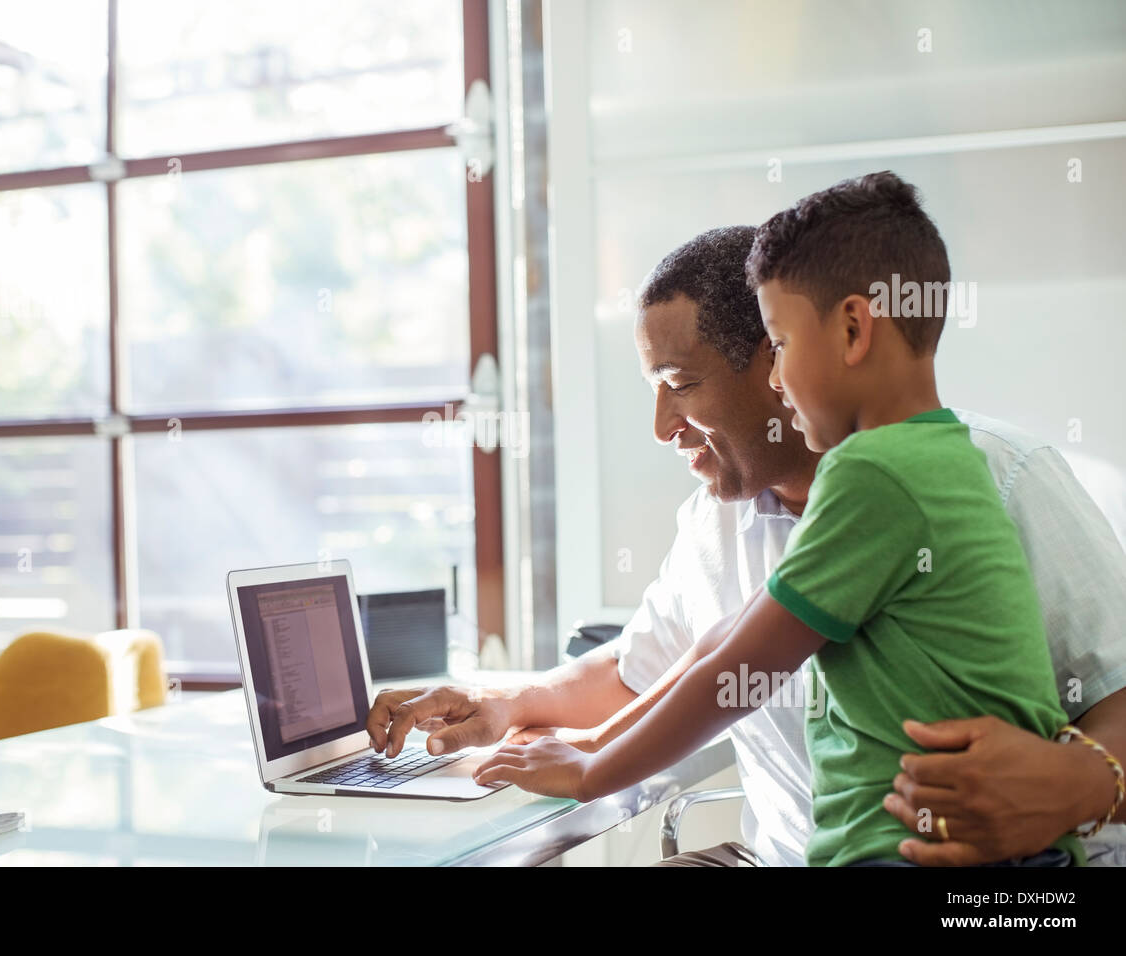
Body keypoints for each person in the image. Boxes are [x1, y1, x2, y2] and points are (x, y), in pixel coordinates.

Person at [367, 211, 1126, 866]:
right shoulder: (715, 517)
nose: (663, 428)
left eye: (682, 385)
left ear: (776, 358)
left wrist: (1076, 786)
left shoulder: (1000, 478)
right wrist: (509, 704)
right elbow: (649, 668)